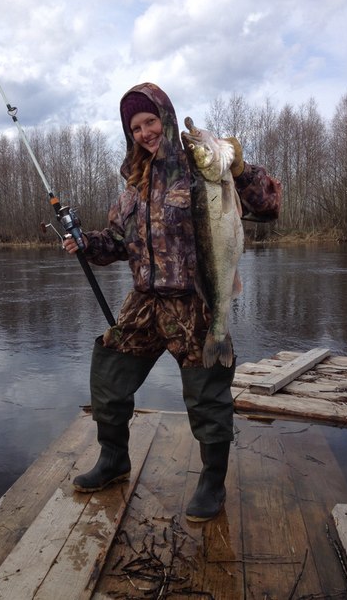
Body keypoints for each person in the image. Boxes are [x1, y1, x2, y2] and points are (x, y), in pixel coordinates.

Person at [63, 82, 280, 522]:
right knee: (108, 374)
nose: (145, 132)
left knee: (207, 395)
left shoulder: (199, 169)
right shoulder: (133, 185)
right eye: (135, 127)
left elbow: (268, 205)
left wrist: (240, 169)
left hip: (194, 300)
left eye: (150, 121)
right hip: (144, 302)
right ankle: (113, 459)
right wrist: (87, 243)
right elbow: (118, 242)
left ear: (164, 117)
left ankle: (212, 481)